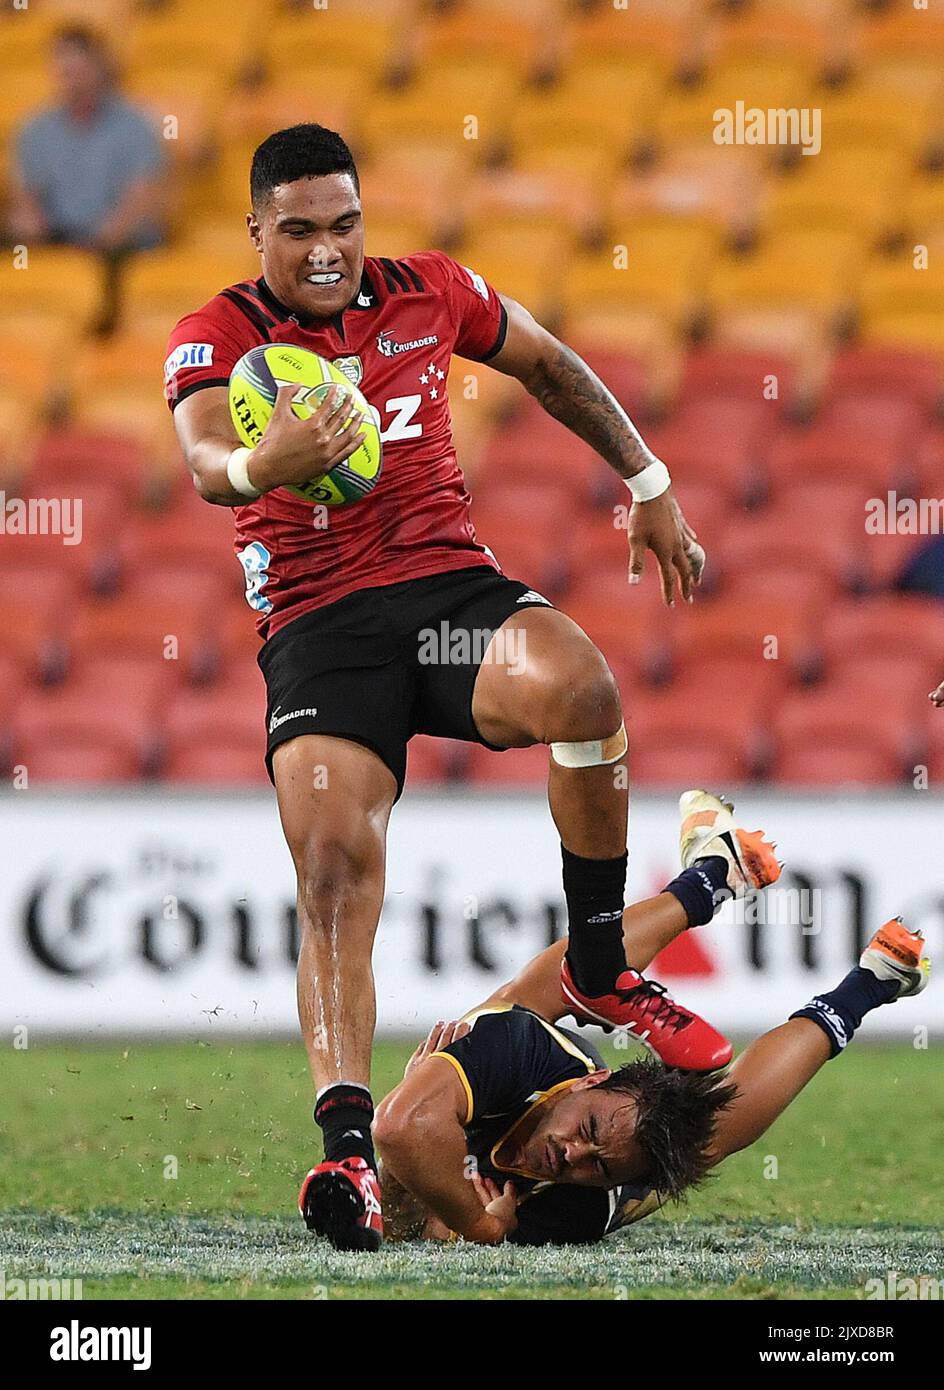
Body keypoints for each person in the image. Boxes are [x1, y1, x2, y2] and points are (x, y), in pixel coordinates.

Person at [166, 122, 704, 1252]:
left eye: (344, 223)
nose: (327, 250)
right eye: (300, 229)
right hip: (322, 631)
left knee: (581, 688)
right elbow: (210, 460)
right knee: (328, 864)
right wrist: (269, 467)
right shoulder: (216, 335)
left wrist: (647, 480)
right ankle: (347, 1152)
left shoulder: (431, 293)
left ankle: (599, 960)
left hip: (445, 599)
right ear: (256, 226)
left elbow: (550, 366)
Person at [372, 793, 930, 1247]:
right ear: (591, 1081)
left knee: (703, 1136)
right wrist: (476, 1219)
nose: (573, 1155)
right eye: (588, 1131)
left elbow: (410, 1220)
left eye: (598, 1164)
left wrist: (437, 1187)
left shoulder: (584, 1203)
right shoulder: (520, 1049)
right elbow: (401, 1138)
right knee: (522, 1000)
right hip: (536, 1068)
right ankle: (711, 880)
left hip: (596, 1147)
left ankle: (867, 982)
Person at [10, 25, 166, 331]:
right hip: (58, 239)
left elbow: (140, 200)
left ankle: (103, 338)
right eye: (63, 68)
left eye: (79, 68)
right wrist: (33, 227)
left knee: (115, 265)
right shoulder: (35, 129)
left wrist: (98, 243)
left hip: (116, 246)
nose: (71, 77)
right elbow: (26, 197)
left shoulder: (134, 126)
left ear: (99, 68)